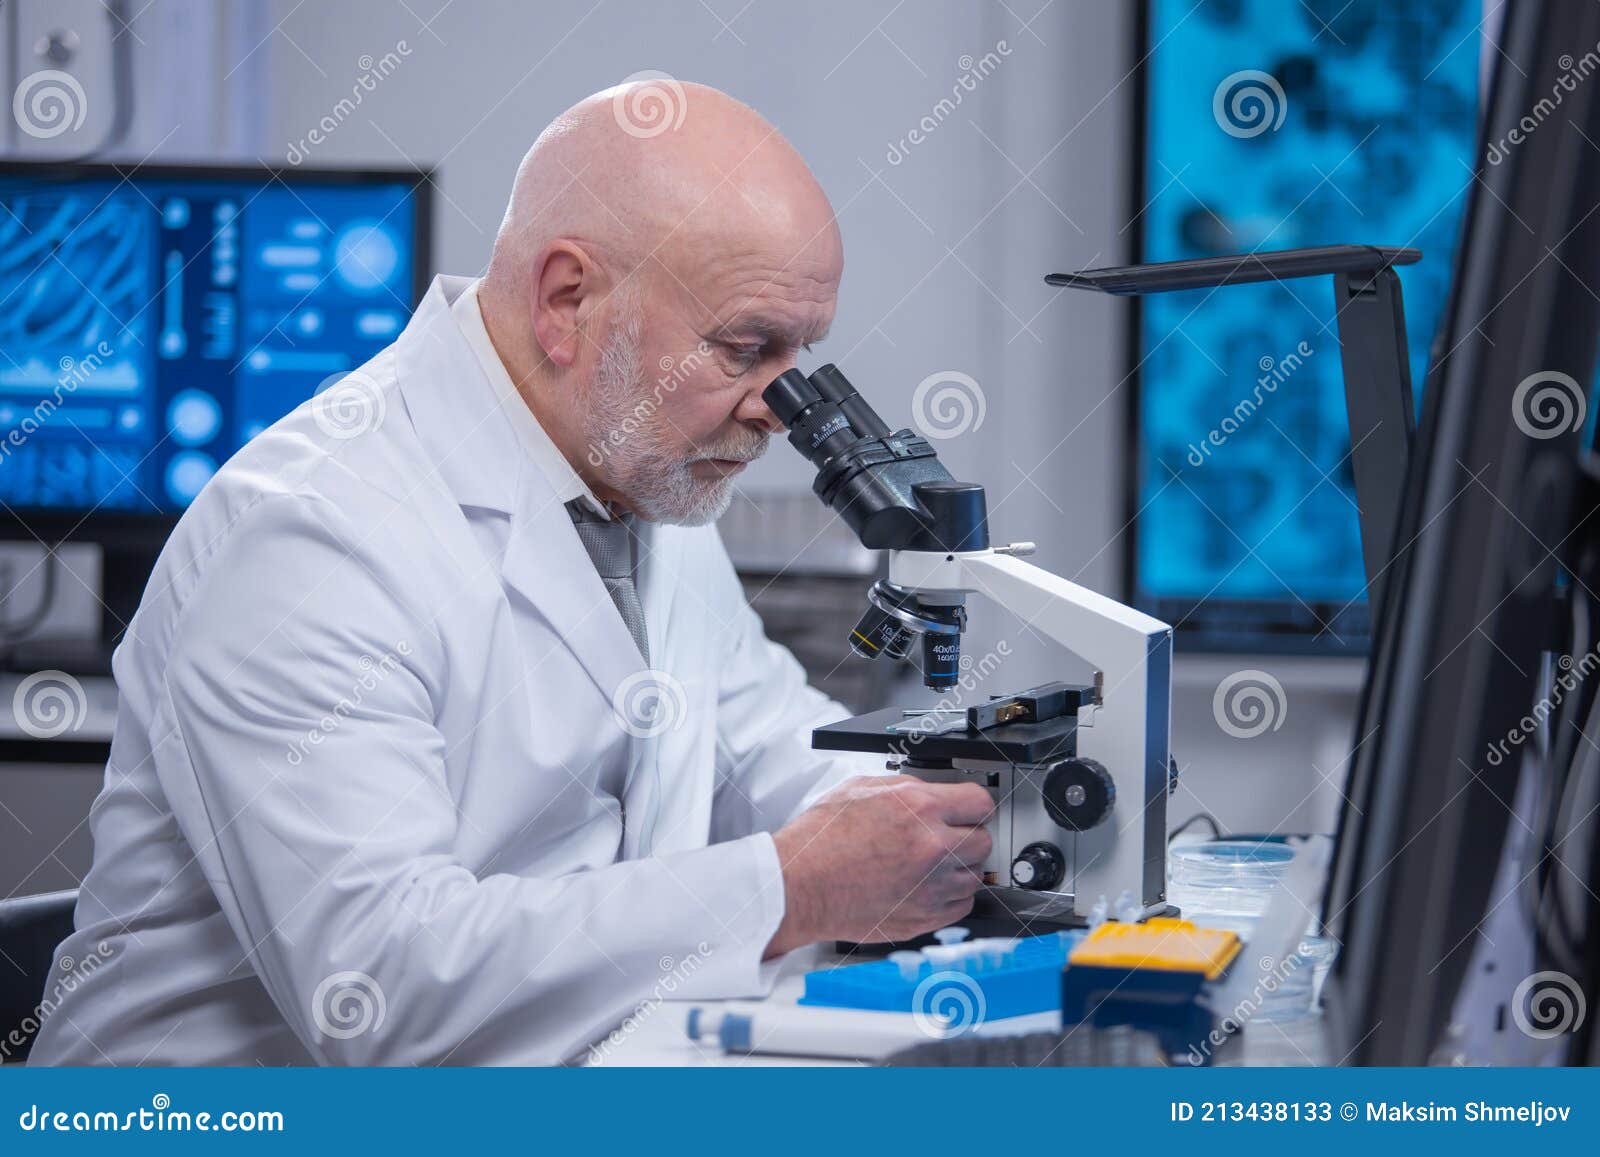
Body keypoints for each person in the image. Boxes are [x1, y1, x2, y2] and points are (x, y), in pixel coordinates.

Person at [30, 81, 992, 1066]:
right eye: (748, 348)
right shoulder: (309, 534)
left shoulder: (639, 476)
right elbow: (385, 989)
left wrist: (955, 823)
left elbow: (770, 749)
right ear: (567, 301)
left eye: (801, 355)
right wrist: (788, 888)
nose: (779, 408)